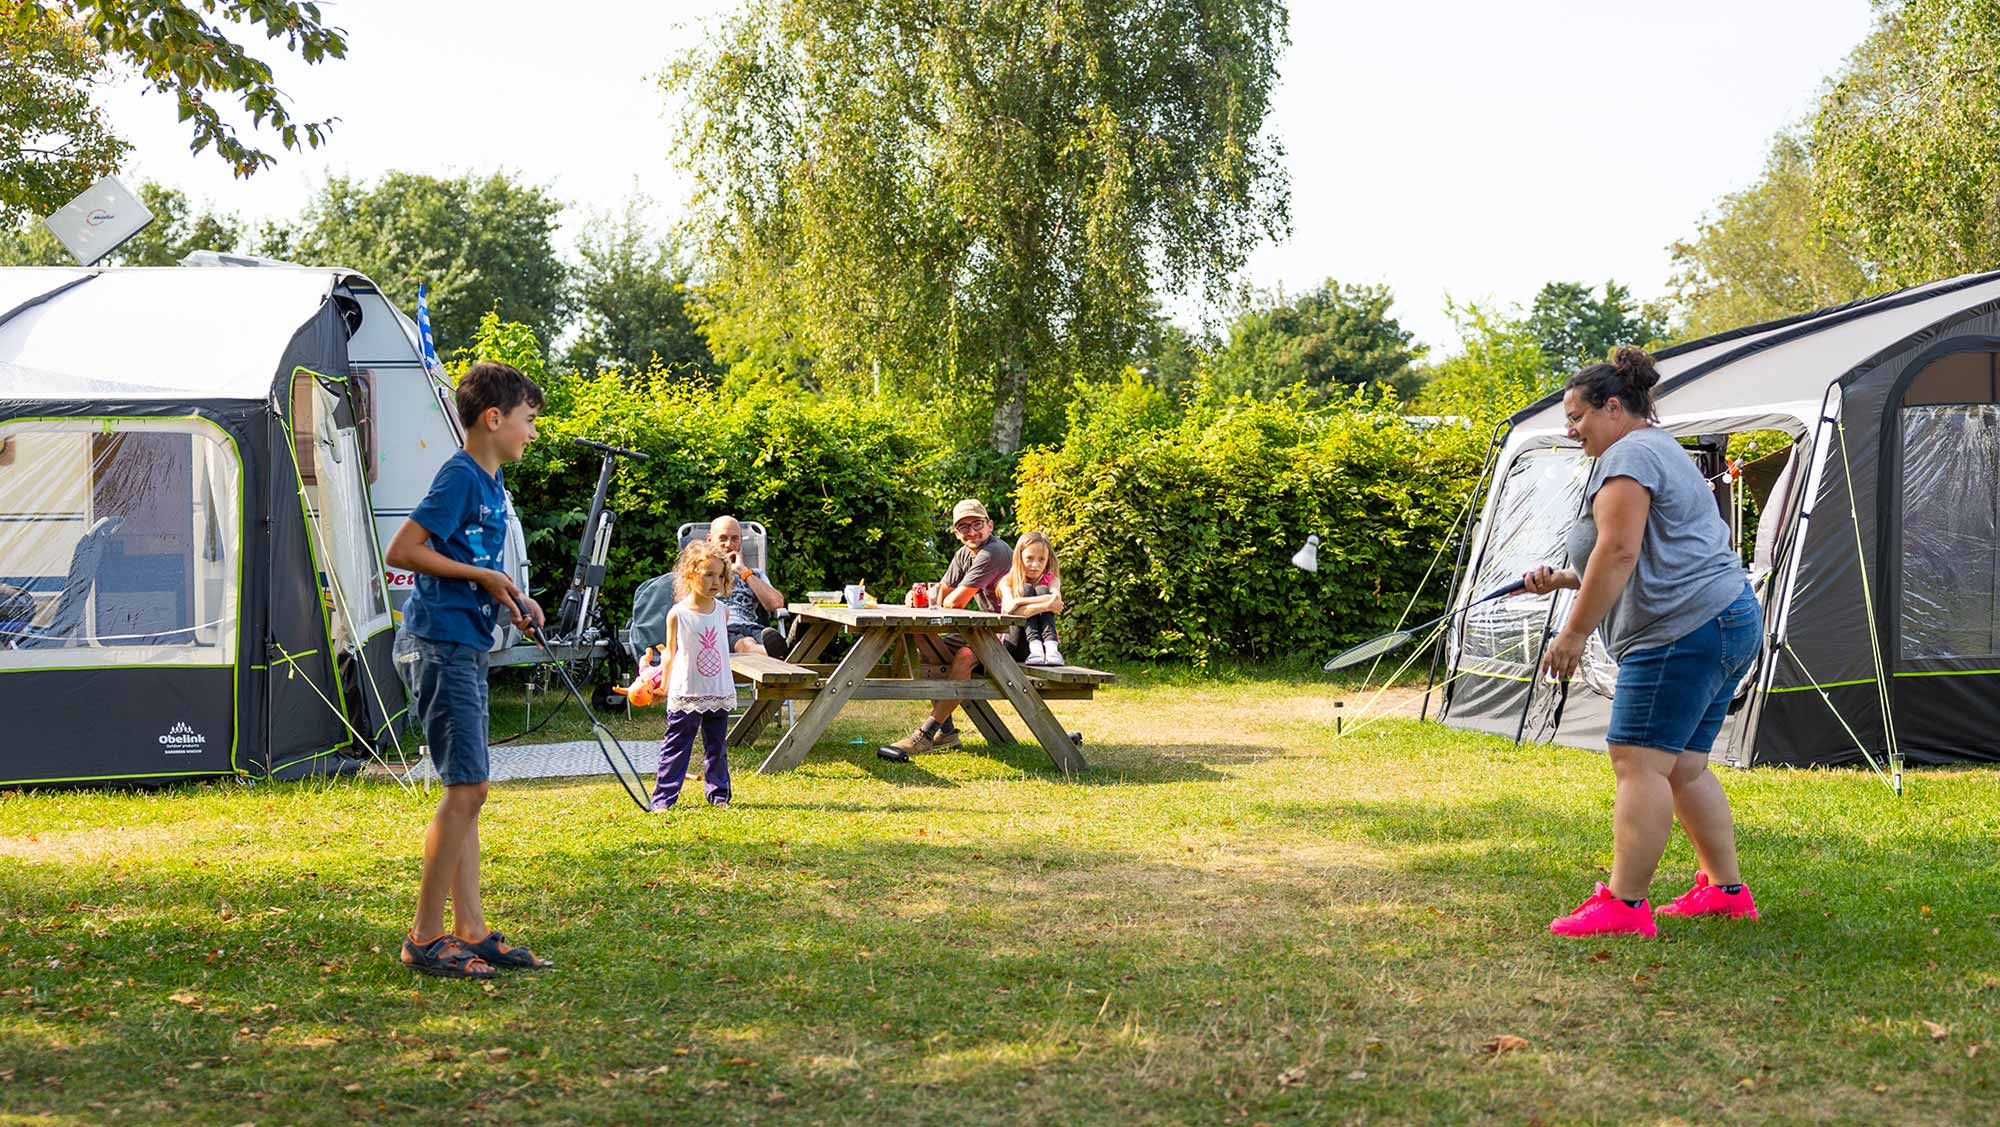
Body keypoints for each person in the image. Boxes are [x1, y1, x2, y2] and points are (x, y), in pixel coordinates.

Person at [1527, 347, 1763, 939]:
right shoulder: (1661, 448)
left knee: (1637, 763)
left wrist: (1574, 632)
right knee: (1683, 765)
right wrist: (1563, 579)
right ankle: (1726, 893)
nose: (1572, 430)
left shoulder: (1627, 454)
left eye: (1577, 417)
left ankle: (1625, 905)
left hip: (1679, 632)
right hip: (1725, 619)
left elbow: (1619, 551)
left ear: (1613, 406)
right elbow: (1650, 555)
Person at [384, 361, 553, 978]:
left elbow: (467, 561)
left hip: (466, 641)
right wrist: (484, 576)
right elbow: (403, 550)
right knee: (467, 789)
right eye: (528, 420)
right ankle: (425, 938)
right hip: (439, 645)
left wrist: (507, 592)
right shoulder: (460, 476)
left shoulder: (492, 482)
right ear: (494, 418)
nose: (532, 432)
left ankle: (471, 929)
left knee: (469, 789)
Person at [878, 499, 1011, 762]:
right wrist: (917, 595)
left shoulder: (994, 552)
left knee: (963, 655)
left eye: (977, 524)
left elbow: (954, 602)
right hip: (981, 630)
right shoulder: (964, 554)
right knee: (917, 633)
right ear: (955, 533)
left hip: (1011, 633)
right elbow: (941, 591)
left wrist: (932, 596)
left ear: (990, 525)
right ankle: (947, 731)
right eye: (964, 527)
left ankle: (926, 734)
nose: (971, 532)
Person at [651, 540, 737, 811]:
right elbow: (670, 653)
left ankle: (719, 795)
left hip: (717, 689)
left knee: (716, 745)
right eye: (708, 574)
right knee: (677, 746)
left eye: (720, 575)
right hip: (687, 691)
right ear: (690, 574)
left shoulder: (722, 611)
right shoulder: (678, 614)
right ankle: (663, 799)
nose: (715, 581)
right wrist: (664, 686)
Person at [708, 515, 789, 657]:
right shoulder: (702, 574)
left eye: (735, 538)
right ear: (710, 540)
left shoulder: (754, 574)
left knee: (759, 638)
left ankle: (782, 648)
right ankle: (781, 651)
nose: (729, 544)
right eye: (723, 538)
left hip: (753, 627)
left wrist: (743, 571)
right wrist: (719, 571)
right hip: (720, 630)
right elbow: (684, 604)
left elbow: (777, 604)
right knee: (745, 644)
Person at [999, 530, 1065, 666]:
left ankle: (1051, 649)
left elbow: (1056, 600)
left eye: (1041, 559)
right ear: (1019, 557)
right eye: (1029, 558)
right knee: (1027, 589)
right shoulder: (1008, 581)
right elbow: (1011, 613)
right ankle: (1036, 649)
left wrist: (1019, 602)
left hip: (1045, 650)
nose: (1035, 565)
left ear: (1048, 560)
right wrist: (1046, 605)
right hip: (1015, 644)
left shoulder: (1051, 580)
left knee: (1041, 590)